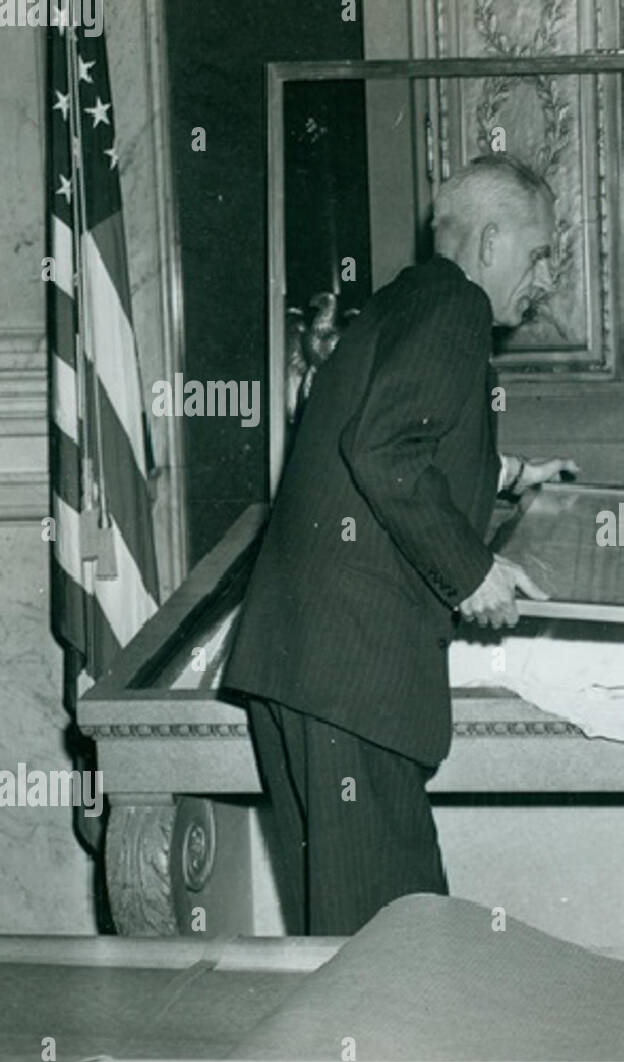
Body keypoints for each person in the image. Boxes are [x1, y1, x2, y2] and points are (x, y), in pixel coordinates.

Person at [223, 155, 577, 935]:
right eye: (541, 251)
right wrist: (471, 570)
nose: (545, 275)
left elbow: (389, 429)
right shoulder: (455, 308)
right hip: (354, 679)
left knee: (352, 934)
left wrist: (513, 473)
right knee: (389, 950)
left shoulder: (404, 301)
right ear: (489, 242)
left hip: (305, 668)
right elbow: (385, 450)